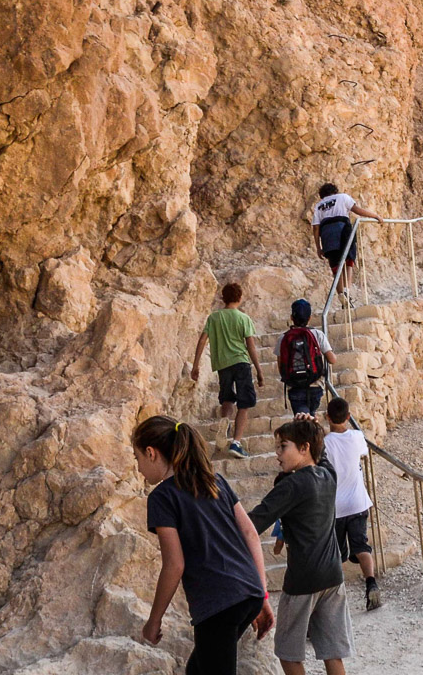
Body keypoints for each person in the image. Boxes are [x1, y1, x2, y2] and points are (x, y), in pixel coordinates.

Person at [132, 414, 273, 673]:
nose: (138, 468)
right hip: (249, 592)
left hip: (218, 603)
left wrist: (154, 620)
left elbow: (174, 565)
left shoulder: (162, 497)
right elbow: (251, 534)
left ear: (151, 453)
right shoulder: (215, 482)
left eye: (137, 458)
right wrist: (261, 593)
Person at [247, 418, 351, 675]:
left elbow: (253, 523)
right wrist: (314, 427)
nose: (277, 453)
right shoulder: (328, 475)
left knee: (288, 653)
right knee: (333, 653)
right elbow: (322, 455)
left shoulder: (292, 485)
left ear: (304, 448)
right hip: (333, 575)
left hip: (302, 580)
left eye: (283, 446)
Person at [192, 283, 264, 457]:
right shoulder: (243, 318)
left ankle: (225, 420)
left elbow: (202, 340)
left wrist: (195, 365)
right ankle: (236, 443)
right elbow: (251, 346)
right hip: (241, 362)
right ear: (240, 298)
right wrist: (259, 371)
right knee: (244, 404)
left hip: (223, 365)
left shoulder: (214, 318)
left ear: (223, 298)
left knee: (227, 398)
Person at [323, 398, 378, 610]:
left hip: (335, 507)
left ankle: (336, 596)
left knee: (336, 553)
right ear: (348, 416)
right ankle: (371, 584)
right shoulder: (356, 436)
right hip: (357, 502)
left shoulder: (325, 443)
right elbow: (364, 453)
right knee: (362, 546)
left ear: (327, 417)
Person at [310, 183, 384, 300]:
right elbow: (357, 210)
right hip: (343, 230)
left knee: (335, 265)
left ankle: (341, 295)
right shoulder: (342, 197)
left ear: (322, 195)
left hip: (327, 235)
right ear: (335, 191)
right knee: (349, 259)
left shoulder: (319, 206)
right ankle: (347, 291)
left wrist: (318, 248)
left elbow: (315, 228)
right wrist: (375, 216)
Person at [278, 299, 331, 419]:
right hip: (315, 384)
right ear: (310, 318)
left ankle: (309, 426)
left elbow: (281, 366)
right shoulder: (317, 334)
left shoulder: (283, 338)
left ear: (291, 317)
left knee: (303, 418)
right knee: (309, 417)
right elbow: (332, 359)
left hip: (295, 386)